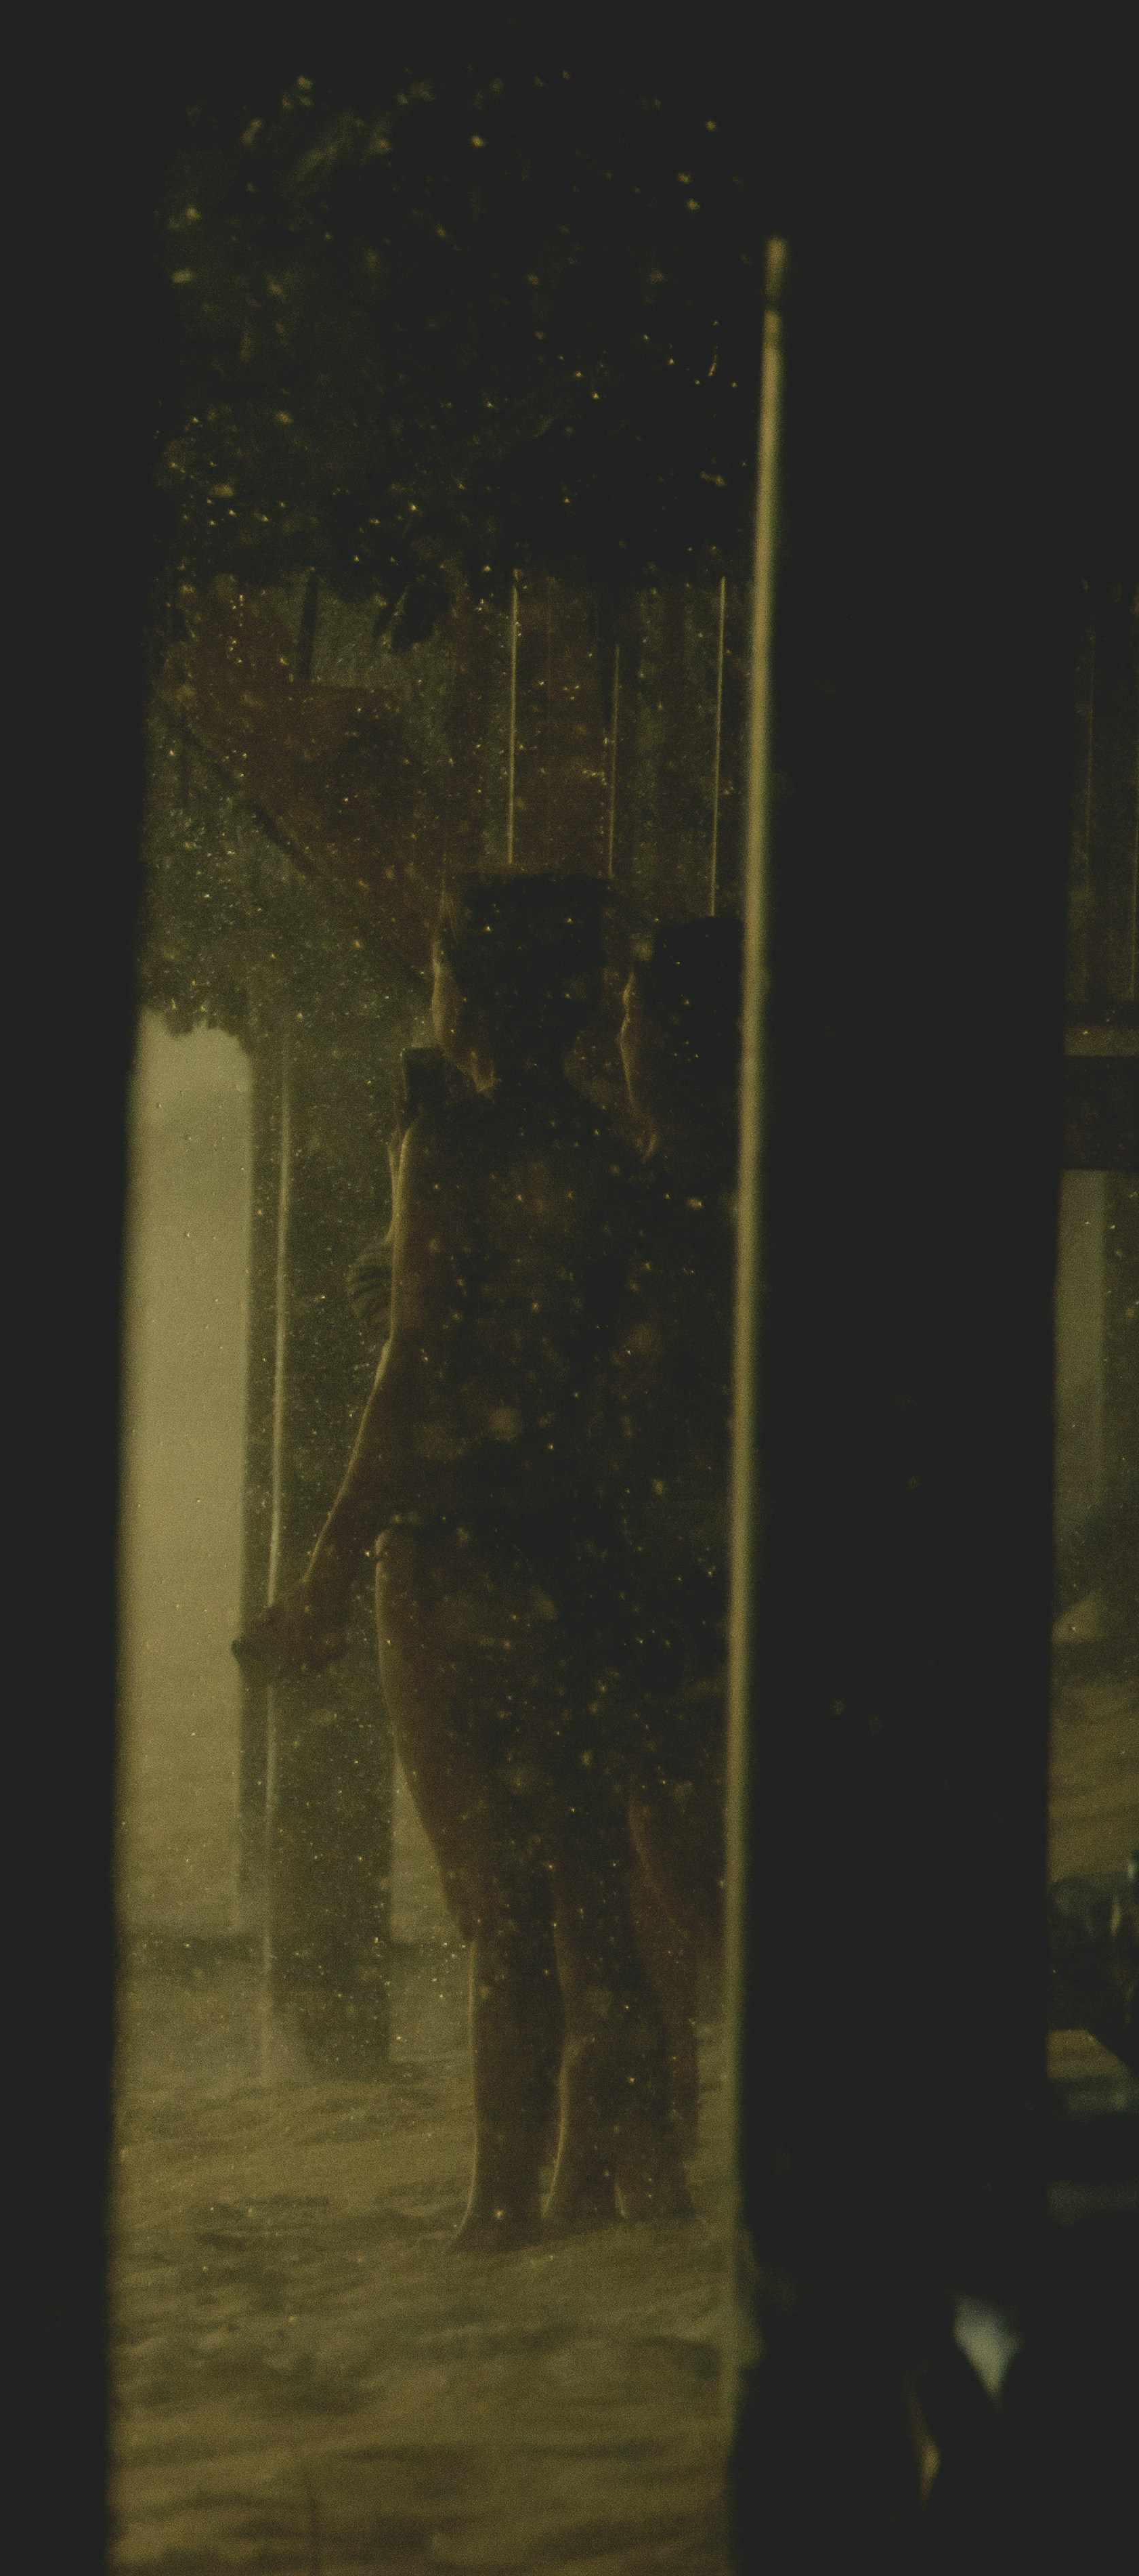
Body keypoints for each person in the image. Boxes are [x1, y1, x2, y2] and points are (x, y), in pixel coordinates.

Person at [239, 874, 675, 2247]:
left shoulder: (448, 1144)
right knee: (590, 1892)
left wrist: (324, 1565)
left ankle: (497, 2199)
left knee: (499, 1906)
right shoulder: (612, 1163)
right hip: (580, 1537)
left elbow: (415, 1363)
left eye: (434, 965)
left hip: (463, 1547)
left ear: (465, 990)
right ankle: (589, 2178)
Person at [602, 916, 742, 2166]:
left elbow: (642, 1383)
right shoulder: (765, 1177)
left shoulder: (660, 1195)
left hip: (678, 1560)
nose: (623, 1038)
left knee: (674, 1857)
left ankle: (670, 2134)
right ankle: (664, 2140)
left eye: (638, 1017)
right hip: (749, 1551)